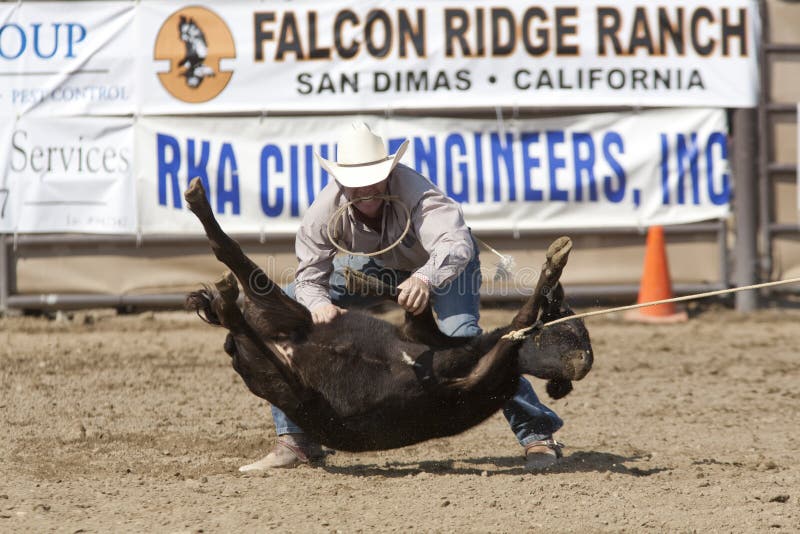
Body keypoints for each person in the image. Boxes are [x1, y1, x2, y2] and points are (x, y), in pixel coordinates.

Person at [239, 121, 564, 472]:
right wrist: (316, 303)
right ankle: (295, 440)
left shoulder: (418, 194)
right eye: (356, 183)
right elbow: (310, 275)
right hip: (378, 267)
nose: (366, 189)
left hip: (444, 269)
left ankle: (537, 433)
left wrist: (425, 278)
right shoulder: (324, 209)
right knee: (286, 308)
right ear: (342, 181)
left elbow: (455, 244)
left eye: (374, 179)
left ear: (389, 173)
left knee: (464, 342)